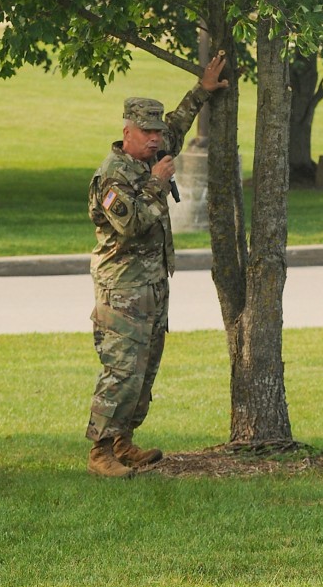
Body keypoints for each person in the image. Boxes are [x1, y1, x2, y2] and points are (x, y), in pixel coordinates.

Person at [84, 53, 229, 479]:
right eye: (146, 132)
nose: (155, 139)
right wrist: (157, 184)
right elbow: (130, 226)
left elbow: (179, 123)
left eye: (157, 132)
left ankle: (123, 442)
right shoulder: (113, 177)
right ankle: (100, 451)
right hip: (122, 290)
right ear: (126, 131)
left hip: (151, 288)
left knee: (145, 370)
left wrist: (202, 89)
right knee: (122, 370)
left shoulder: (153, 155)